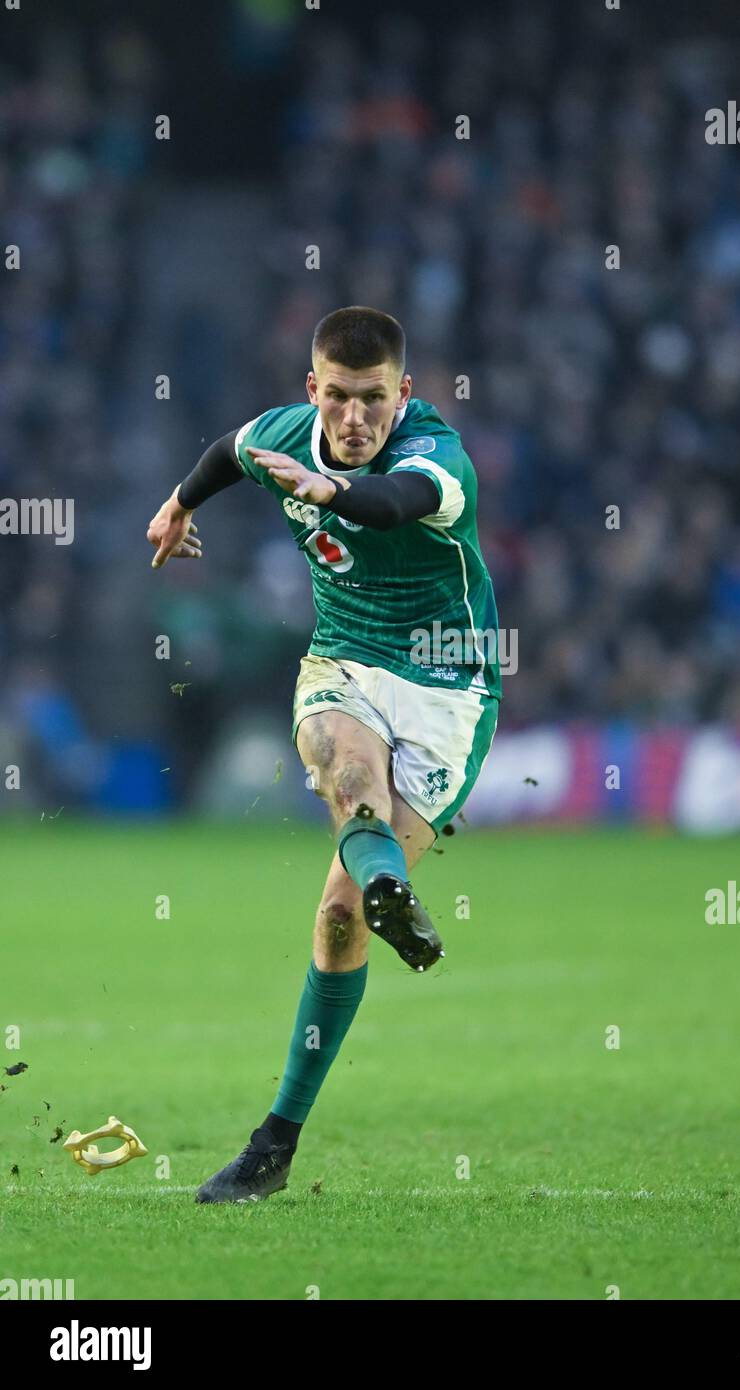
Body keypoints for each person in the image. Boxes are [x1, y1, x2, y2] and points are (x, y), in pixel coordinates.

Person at [146, 306, 501, 1202]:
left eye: (373, 400)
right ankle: (272, 1149)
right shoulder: (283, 434)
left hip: (449, 685)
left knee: (339, 915)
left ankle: (377, 892)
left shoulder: (437, 454)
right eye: (338, 397)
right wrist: (179, 503)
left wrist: (327, 490)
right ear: (313, 389)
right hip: (343, 659)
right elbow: (230, 449)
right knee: (344, 775)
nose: (354, 419)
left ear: (403, 394)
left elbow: (393, 502)